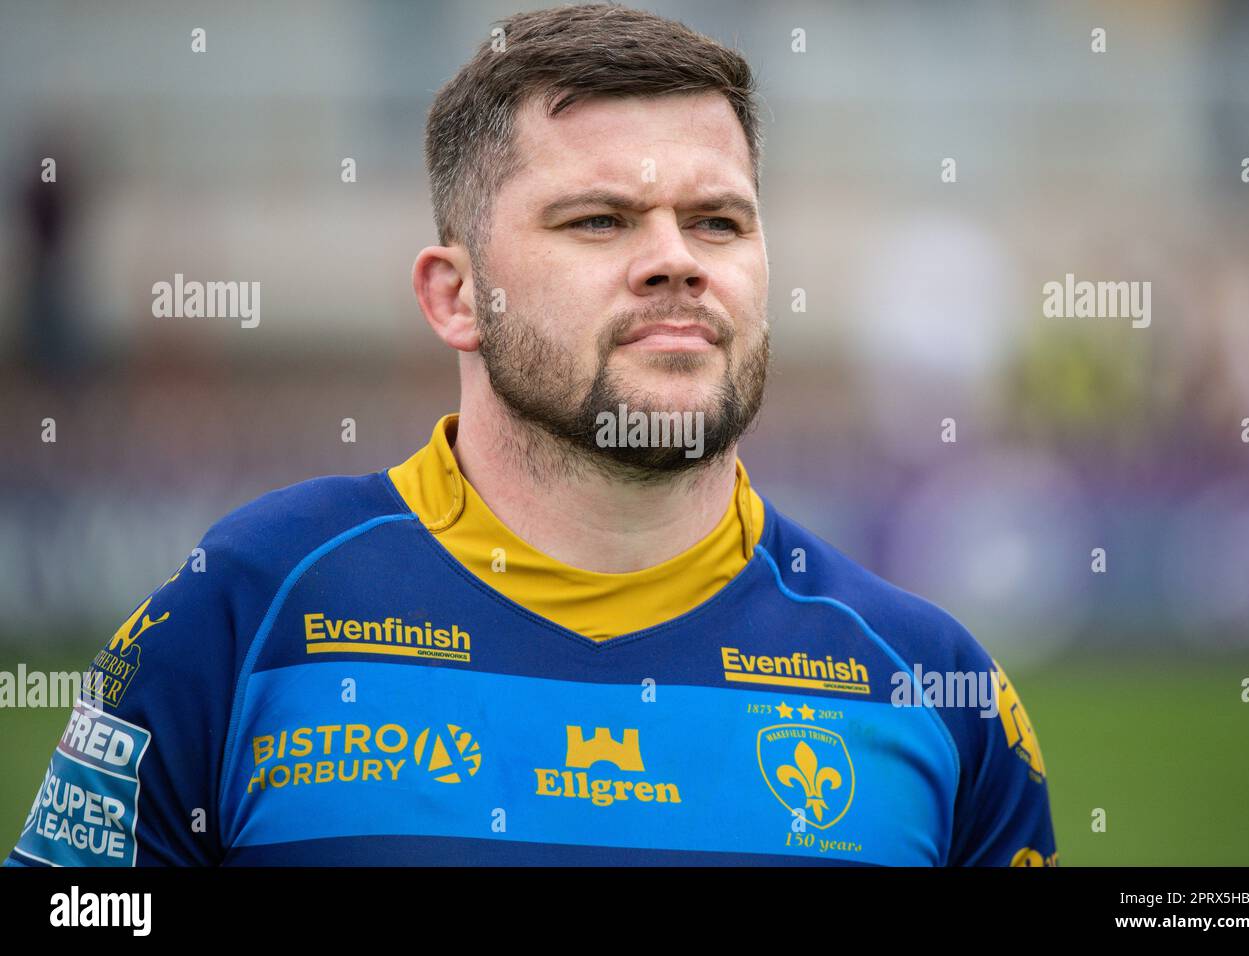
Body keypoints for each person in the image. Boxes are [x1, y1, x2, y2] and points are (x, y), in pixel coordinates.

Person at [6, 4, 1055, 866]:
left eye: (719, 222)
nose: (677, 260)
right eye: (598, 220)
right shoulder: (240, 616)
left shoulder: (935, 693)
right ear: (455, 297)